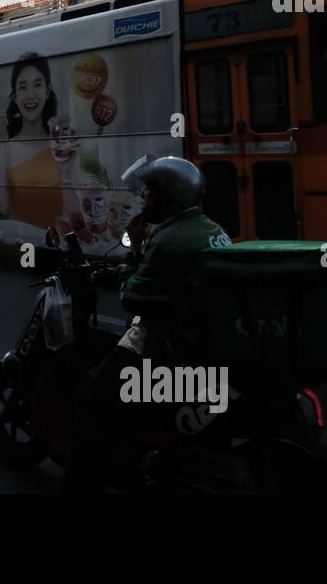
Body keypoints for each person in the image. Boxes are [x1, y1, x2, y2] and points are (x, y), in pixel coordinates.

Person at [66, 155, 232, 493]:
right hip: (207, 343)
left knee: (89, 394)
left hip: (167, 350)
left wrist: (133, 257)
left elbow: (133, 298)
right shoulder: (214, 230)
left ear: (168, 199)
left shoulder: (167, 240)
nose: (144, 200)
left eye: (150, 194)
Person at [0, 54, 84, 229]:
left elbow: (76, 218)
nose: (30, 95)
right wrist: (2, 147)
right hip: (23, 242)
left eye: (38, 85)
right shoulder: (4, 149)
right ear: (15, 96)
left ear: (47, 91)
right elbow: (3, 209)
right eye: (23, 87)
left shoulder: (62, 147)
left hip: (60, 243)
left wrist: (64, 174)